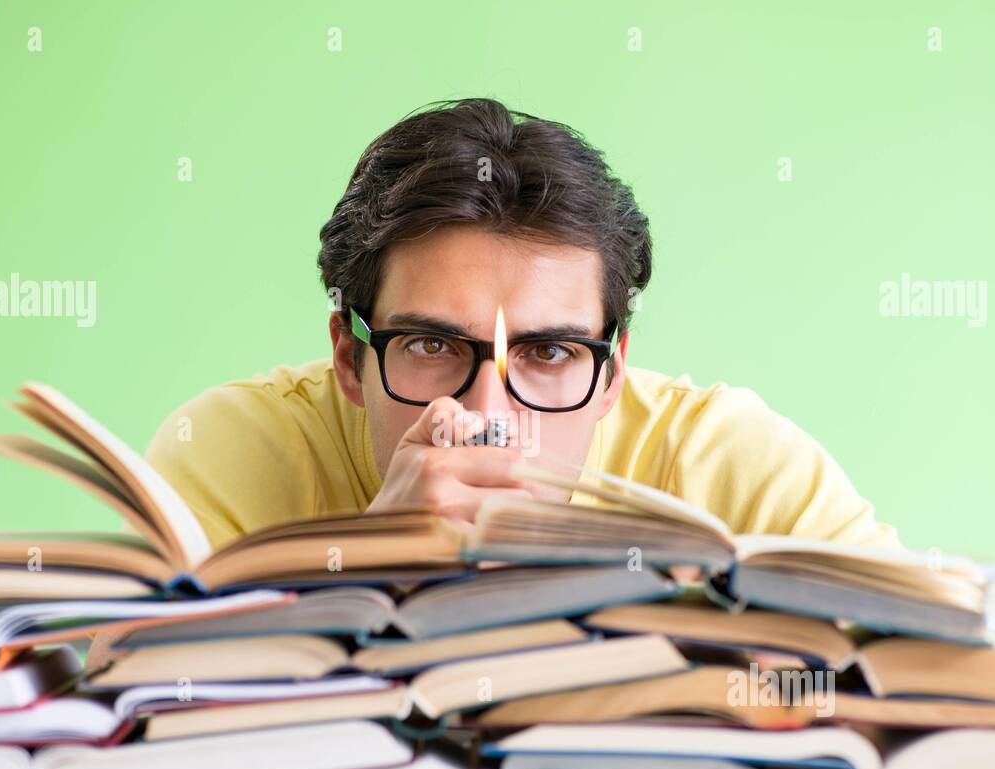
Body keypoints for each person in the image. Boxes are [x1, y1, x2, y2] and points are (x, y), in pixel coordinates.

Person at [146, 98, 901, 551]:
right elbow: (133, 719)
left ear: (612, 371)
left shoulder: (731, 465)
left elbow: (917, 679)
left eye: (548, 352)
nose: (490, 420)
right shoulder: (228, 454)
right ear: (350, 356)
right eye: (432, 345)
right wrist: (369, 562)